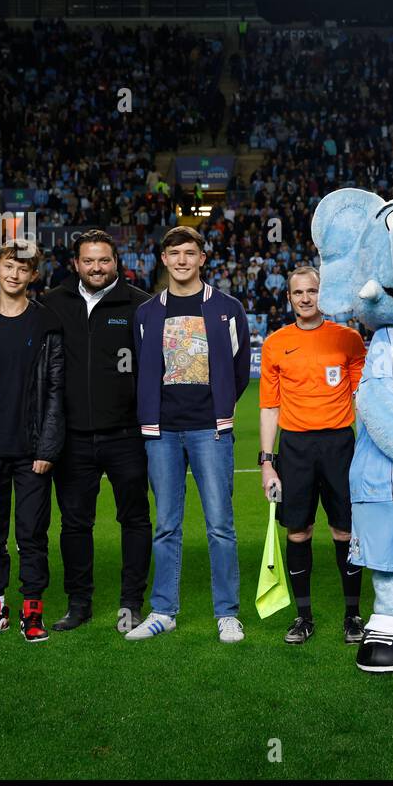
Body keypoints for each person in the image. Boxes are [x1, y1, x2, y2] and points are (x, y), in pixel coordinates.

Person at [126, 226, 251, 642]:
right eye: (174, 252)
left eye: (189, 252)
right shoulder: (146, 313)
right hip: (162, 431)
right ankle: (164, 611)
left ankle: (227, 613)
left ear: (202, 258)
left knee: (220, 525)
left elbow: (238, 368)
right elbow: (145, 370)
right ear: (163, 259)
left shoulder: (227, 308)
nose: (181, 260)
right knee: (166, 525)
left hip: (209, 430)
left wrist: (220, 409)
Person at [41, 230, 153, 633]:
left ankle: (131, 602)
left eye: (103, 260)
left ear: (116, 262)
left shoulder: (140, 305)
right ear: (76, 264)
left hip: (127, 435)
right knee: (74, 524)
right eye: (88, 261)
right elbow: (10, 313)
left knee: (135, 519)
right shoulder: (51, 304)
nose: (96, 268)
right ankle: (79, 602)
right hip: (72, 439)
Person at [0, 239, 65, 644]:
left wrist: (49, 447)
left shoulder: (47, 322)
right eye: (8, 265)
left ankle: (31, 609)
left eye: (23, 269)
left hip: (32, 449)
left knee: (32, 533)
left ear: (33, 276)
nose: (14, 274)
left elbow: (56, 389)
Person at [258, 265, 367, 645]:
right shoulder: (275, 344)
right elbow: (270, 408)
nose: (305, 298)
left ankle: (353, 616)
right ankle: (303, 617)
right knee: (299, 531)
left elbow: (363, 399)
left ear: (324, 294)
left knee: (345, 530)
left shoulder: (348, 339)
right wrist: (267, 462)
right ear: (288, 298)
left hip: (340, 445)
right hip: (295, 448)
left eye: (313, 291)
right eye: (298, 293)